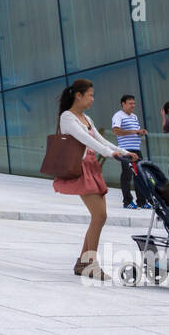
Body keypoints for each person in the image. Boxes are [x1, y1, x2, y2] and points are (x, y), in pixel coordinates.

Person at [52, 79, 136, 282]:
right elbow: (85, 140)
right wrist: (110, 154)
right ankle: (91, 264)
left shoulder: (86, 117)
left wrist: (124, 152)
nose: (92, 98)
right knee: (99, 215)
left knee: (99, 217)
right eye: (90, 94)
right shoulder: (67, 117)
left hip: (91, 167)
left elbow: (99, 138)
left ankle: (83, 262)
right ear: (78, 96)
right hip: (79, 169)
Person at [111, 94, 147, 209]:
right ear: (123, 104)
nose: (133, 105)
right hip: (125, 150)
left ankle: (142, 202)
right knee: (127, 175)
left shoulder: (134, 116)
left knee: (140, 176)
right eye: (130, 103)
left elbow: (135, 132)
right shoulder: (118, 116)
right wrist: (134, 131)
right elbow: (116, 131)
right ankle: (127, 202)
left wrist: (140, 133)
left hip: (136, 149)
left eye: (134, 103)